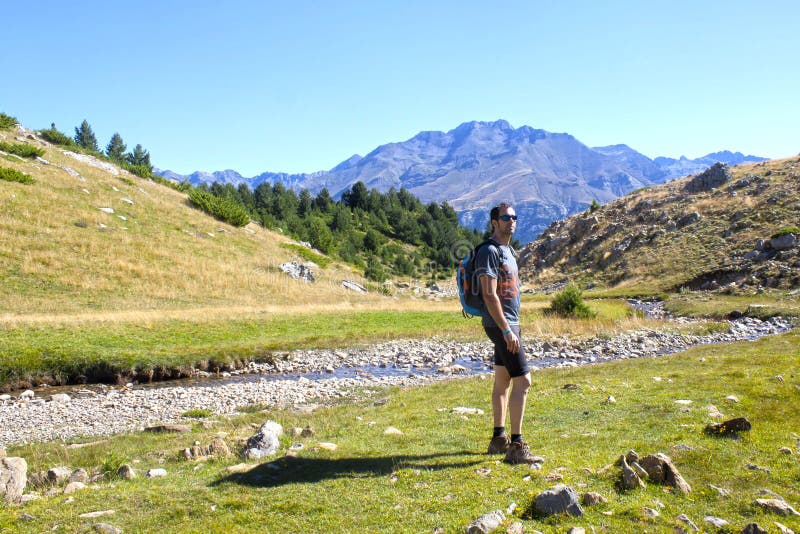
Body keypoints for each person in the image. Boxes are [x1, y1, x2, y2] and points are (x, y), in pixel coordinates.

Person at [475, 203, 542, 465]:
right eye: (505, 217)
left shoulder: (508, 251)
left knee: (503, 379)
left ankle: (498, 439)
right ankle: (517, 446)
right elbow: (489, 294)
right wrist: (505, 330)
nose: (511, 221)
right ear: (494, 222)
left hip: (509, 323)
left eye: (514, 217)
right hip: (502, 325)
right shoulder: (489, 251)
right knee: (523, 381)